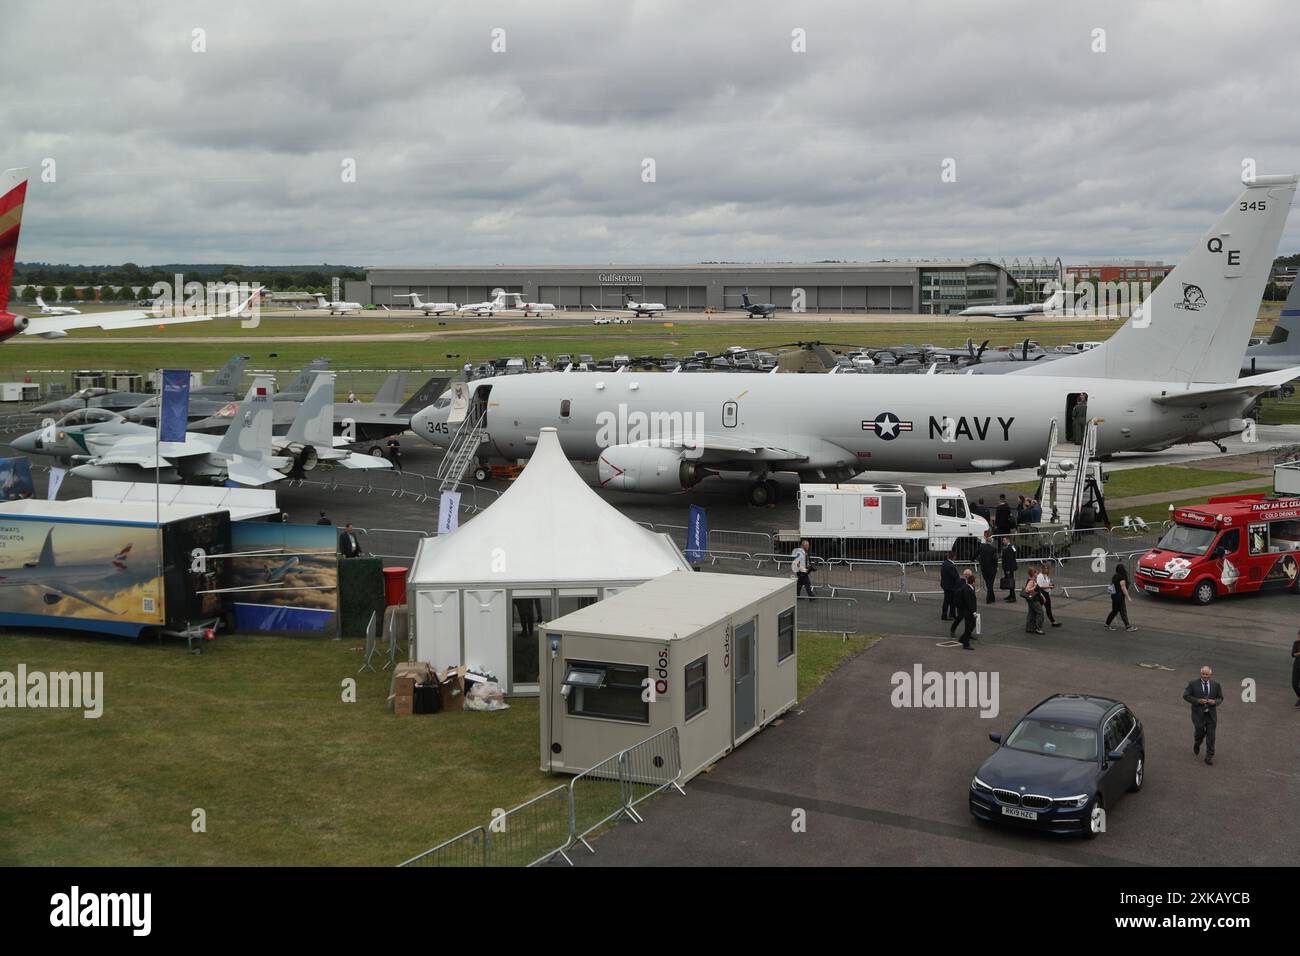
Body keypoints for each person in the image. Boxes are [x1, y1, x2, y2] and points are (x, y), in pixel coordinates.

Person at [1182, 665, 1223, 766]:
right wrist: (1197, 700)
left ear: (1210, 675)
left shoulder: (1216, 685)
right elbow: (1185, 696)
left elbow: (1220, 698)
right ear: (1200, 674)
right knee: (1199, 733)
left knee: (1211, 736)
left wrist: (1215, 702)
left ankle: (1209, 756)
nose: (1204, 676)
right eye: (1203, 674)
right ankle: (1197, 742)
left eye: (1206, 674)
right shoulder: (1193, 683)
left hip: (1211, 715)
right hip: (1198, 715)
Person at [1104, 563, 1138, 631]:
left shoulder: (1115, 576)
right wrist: (1128, 597)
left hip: (1114, 596)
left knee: (1115, 611)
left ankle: (1107, 624)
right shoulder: (1121, 577)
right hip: (1119, 597)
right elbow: (1123, 588)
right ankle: (1128, 627)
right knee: (1122, 612)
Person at [953, 569, 978, 649]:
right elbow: (968, 602)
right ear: (973, 582)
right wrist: (973, 611)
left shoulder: (969, 588)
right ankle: (965, 643)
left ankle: (963, 639)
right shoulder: (967, 589)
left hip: (968, 610)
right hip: (968, 611)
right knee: (969, 627)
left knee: (971, 625)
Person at [1035, 562, 1061, 627]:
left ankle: (1053, 621)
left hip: (1046, 593)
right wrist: (1049, 586)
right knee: (1039, 609)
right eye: (1045, 568)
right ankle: (1051, 621)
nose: (1046, 570)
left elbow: (1047, 583)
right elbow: (1040, 586)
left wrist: (1050, 585)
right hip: (1042, 593)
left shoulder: (1046, 575)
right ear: (1042, 569)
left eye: (1047, 568)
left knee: (1047, 608)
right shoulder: (1040, 576)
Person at [977, 532, 999, 604]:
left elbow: (976, 554)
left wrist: (973, 559)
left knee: (988, 583)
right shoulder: (994, 549)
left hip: (984, 568)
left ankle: (992, 597)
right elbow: (995, 559)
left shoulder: (981, 547)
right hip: (992, 569)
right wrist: (996, 567)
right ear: (991, 542)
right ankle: (989, 599)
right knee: (990, 583)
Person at [940, 548, 960, 621]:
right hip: (950, 586)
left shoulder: (945, 563)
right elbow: (955, 576)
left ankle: (951, 614)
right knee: (949, 601)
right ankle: (946, 615)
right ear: (953, 557)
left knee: (949, 601)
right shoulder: (951, 566)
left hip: (945, 585)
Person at [1000, 536, 1018, 602]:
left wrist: (1008, 569)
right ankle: (1010, 595)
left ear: (1008, 540)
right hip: (1009, 568)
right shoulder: (1010, 547)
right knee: (1009, 581)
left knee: (1010, 582)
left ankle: (1013, 597)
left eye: (1004, 540)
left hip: (1009, 568)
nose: (1003, 541)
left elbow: (1009, 560)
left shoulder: (1009, 548)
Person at [1291, 628, 1300, 708]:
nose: (1298, 637)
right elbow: (1293, 654)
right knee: (1294, 684)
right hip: (1297, 667)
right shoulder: (1296, 643)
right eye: (1298, 635)